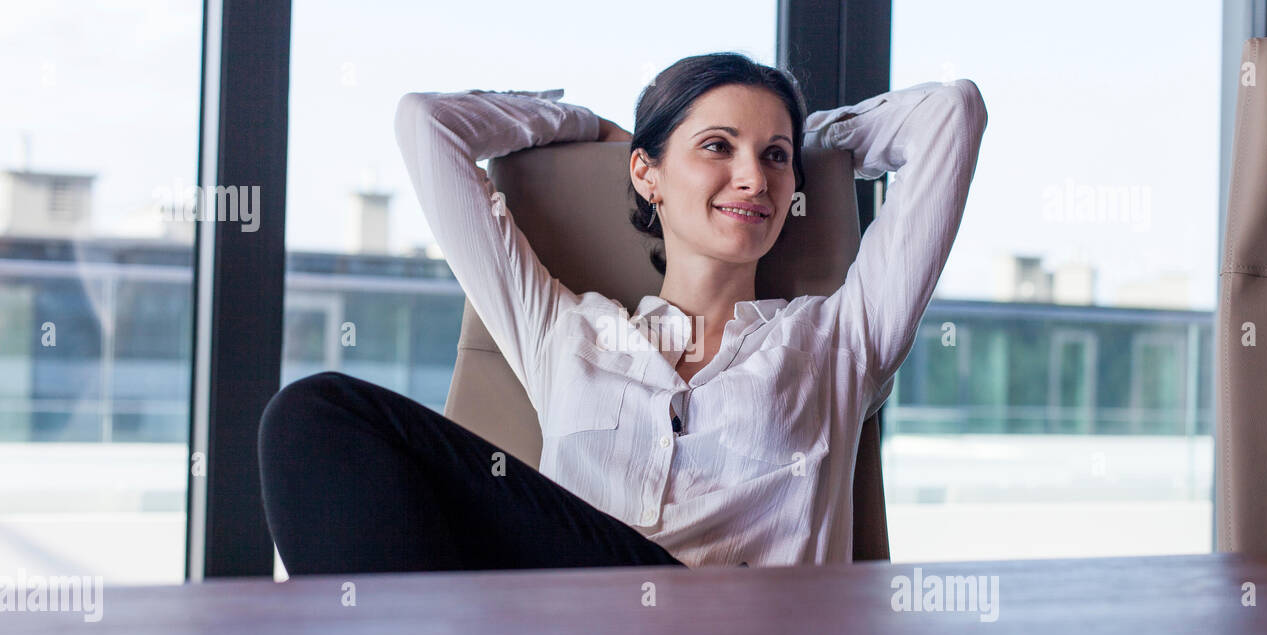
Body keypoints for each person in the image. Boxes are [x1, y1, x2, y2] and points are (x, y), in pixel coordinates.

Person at [257, 52, 988, 575]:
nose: (752, 176)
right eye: (717, 146)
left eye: (773, 156)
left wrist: (821, 146)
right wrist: (581, 126)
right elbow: (428, 125)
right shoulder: (565, 331)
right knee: (314, 413)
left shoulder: (839, 340)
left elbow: (952, 114)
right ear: (647, 172)